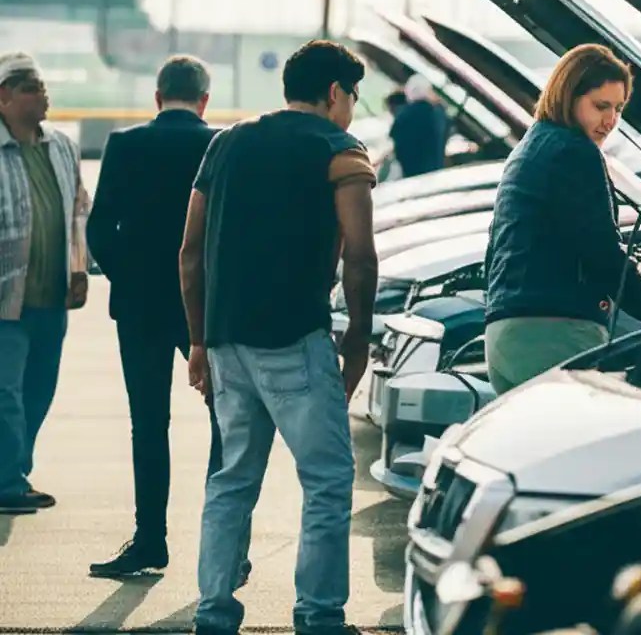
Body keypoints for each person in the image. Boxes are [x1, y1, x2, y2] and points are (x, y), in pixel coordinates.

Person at [180, 39, 377, 635]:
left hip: (226, 342)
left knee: (232, 480)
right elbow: (361, 258)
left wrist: (198, 341)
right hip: (294, 339)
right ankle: (318, 618)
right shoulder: (340, 150)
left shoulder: (227, 143)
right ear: (336, 93)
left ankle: (214, 613)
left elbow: (190, 255)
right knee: (326, 483)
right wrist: (359, 342)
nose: (352, 108)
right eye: (353, 96)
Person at [86, 55, 250, 581]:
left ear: (158, 98)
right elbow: (235, 230)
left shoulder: (125, 144)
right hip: (206, 306)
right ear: (205, 100)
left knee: (149, 424)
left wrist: (128, 278)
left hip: (139, 308)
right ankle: (223, 548)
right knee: (224, 424)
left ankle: (149, 541)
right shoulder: (224, 143)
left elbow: (97, 229)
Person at [483, 44, 641, 394]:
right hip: (554, 334)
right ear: (568, 96)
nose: (611, 120)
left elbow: (498, 245)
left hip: (504, 335)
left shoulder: (528, 148)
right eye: (601, 106)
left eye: (618, 108)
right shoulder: (574, 151)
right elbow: (600, 248)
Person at [0, 52, 90, 515]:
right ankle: (7, 482)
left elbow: (77, 210)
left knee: (39, 389)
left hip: (51, 296)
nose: (43, 94)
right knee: (6, 392)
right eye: (31, 86)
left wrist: (80, 269)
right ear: (5, 96)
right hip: (4, 300)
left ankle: (13, 470)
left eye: (42, 85)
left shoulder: (61, 145)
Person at [388, 74, 449, 177]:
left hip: (411, 173)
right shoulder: (438, 114)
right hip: (435, 171)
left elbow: (394, 137)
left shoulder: (404, 116)